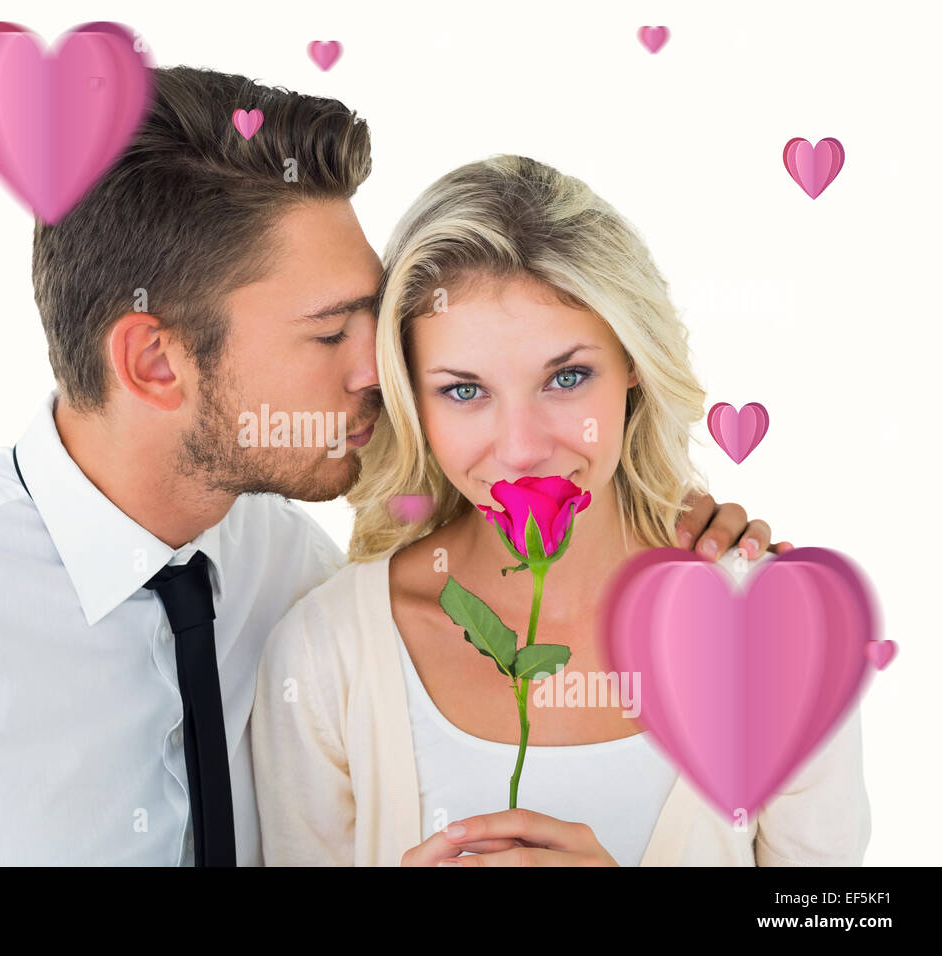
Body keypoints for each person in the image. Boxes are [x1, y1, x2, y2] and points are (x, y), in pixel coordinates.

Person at [0, 69, 782, 866]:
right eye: (331, 334)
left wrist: (639, 500)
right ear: (154, 360)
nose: (385, 370)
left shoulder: (293, 573)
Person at [250, 154, 869, 866]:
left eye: (566, 377)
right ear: (411, 400)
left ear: (633, 363)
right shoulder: (327, 652)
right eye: (463, 390)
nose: (522, 450)